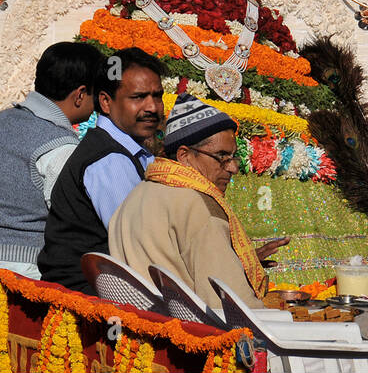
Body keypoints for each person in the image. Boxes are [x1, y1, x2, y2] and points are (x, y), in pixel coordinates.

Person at [0, 42, 104, 278]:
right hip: (20, 267)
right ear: (80, 95)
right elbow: (72, 224)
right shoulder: (60, 145)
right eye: (96, 95)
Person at [110, 94, 287, 305]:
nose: (232, 168)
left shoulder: (138, 193)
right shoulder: (199, 205)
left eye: (233, 157)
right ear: (184, 155)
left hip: (141, 327)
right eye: (221, 156)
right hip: (189, 333)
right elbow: (232, 305)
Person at [38, 47, 166, 293]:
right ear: (106, 102)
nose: (152, 107)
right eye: (138, 97)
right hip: (88, 301)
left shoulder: (127, 149)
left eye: (157, 96)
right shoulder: (109, 160)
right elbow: (139, 246)